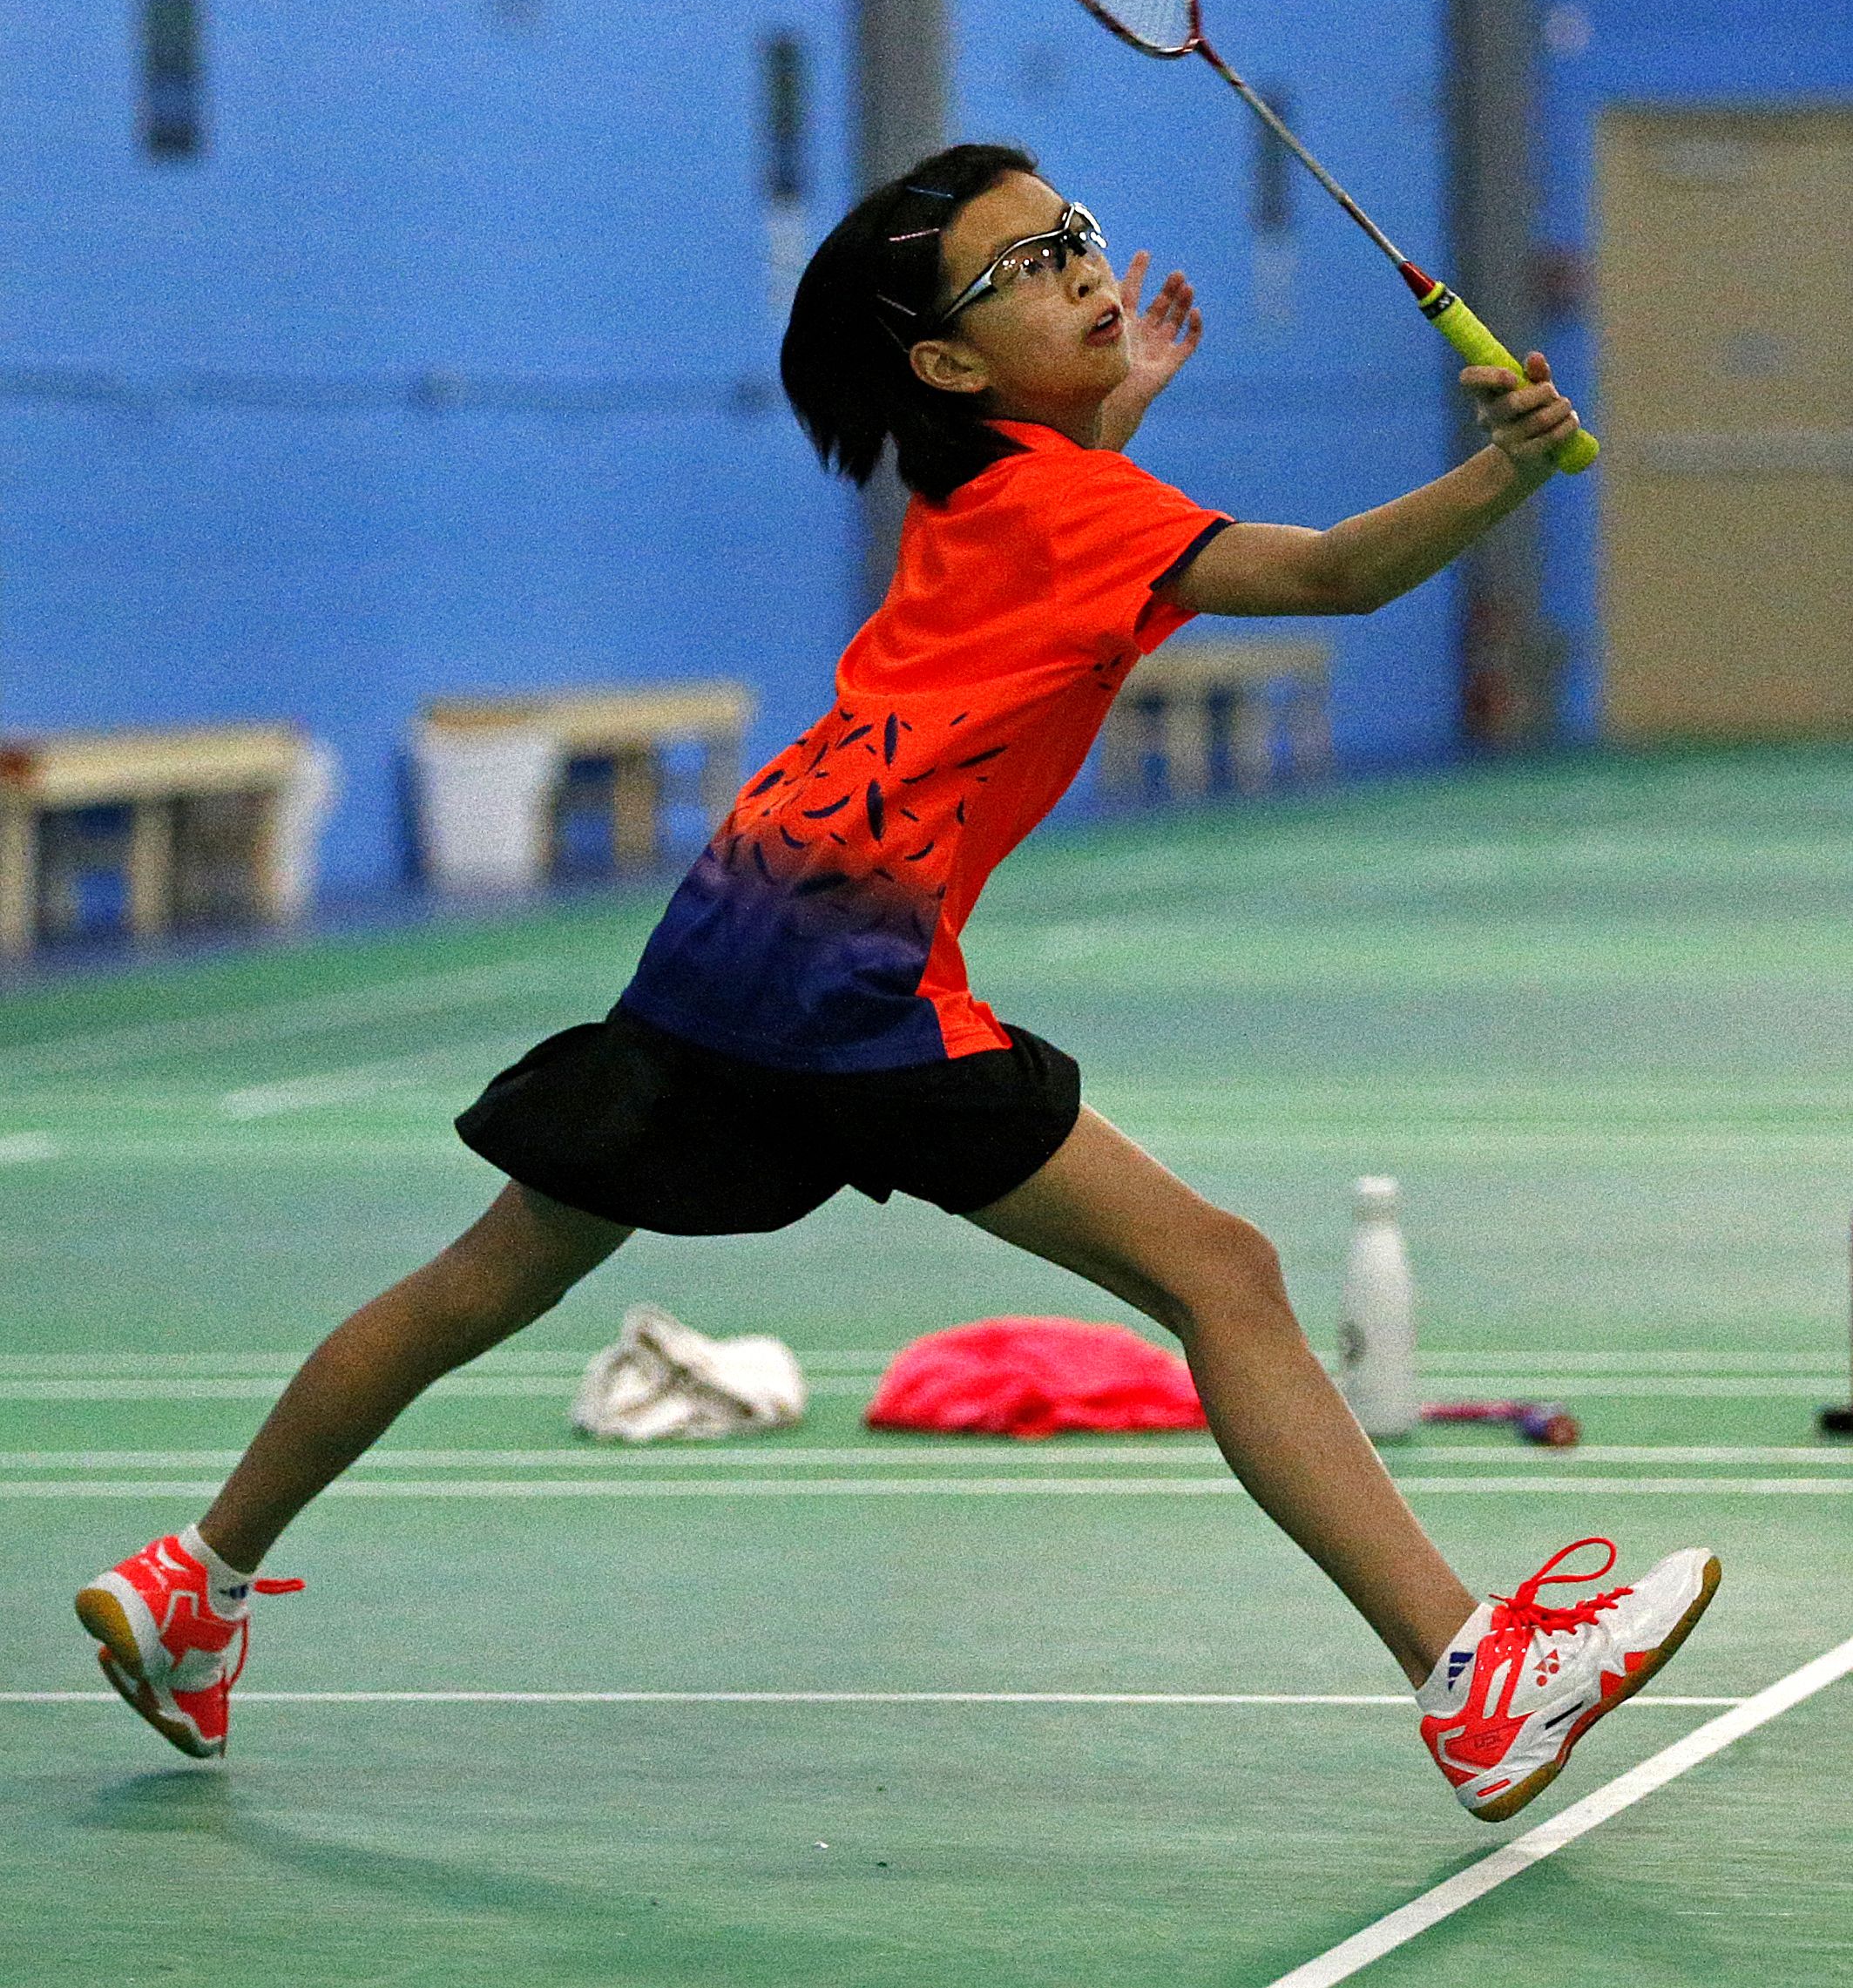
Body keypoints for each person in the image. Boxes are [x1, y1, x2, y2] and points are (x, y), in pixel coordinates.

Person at [77, 144, 1718, 1817]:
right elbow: (1334, 573)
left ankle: (193, 1575)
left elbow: (1067, 545)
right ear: (942, 362)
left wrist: (1103, 410)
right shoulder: (1069, 505)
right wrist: (1505, 469)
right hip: (852, 968)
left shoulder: (986, 491)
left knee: (490, 1275)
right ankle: (1473, 1674)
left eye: (1075, 234)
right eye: (1027, 269)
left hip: (730, 921)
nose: (1083, 269)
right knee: (1222, 1274)